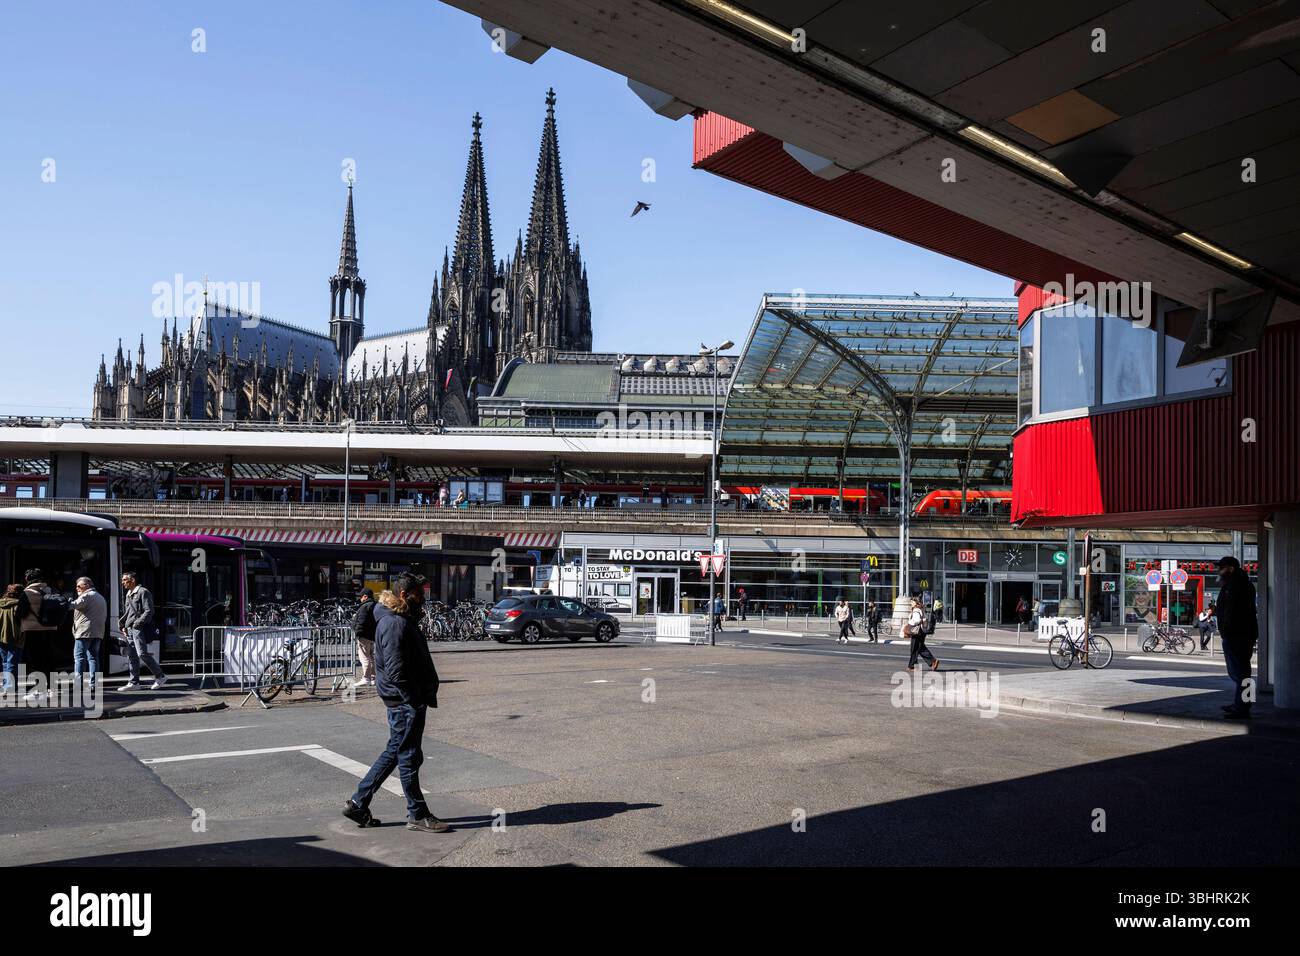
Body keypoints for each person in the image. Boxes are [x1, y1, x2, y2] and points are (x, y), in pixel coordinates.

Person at [343, 573, 451, 833]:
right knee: (409, 756)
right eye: (419, 596)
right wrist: (413, 700)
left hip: (402, 701)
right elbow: (395, 670)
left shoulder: (397, 619)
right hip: (404, 703)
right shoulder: (394, 623)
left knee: (396, 751)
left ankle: (359, 802)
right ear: (404, 595)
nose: (423, 600)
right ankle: (417, 813)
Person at [1214, 557, 1257, 719]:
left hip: (1237, 634)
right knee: (1243, 672)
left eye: (1222, 567)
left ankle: (1243, 707)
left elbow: (1231, 611)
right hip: (1242, 633)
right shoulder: (1240, 583)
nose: (1219, 570)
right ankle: (1243, 704)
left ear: (1231, 568)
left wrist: (1226, 631)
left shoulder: (1235, 585)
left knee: (1240, 672)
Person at [120, 572, 167, 691]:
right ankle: (134, 683)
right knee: (132, 656)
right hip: (130, 628)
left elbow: (149, 611)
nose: (123, 582)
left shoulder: (143, 592)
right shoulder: (129, 594)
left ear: (133, 580)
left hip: (138, 628)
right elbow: (128, 612)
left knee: (142, 653)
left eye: (125, 580)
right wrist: (123, 624)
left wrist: (137, 624)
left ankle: (160, 676)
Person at [18, 570, 59, 702]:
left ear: (28, 579)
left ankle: (39, 690)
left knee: (36, 661)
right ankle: (52, 690)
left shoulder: (27, 593)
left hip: (33, 631)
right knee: (49, 659)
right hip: (50, 629)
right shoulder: (51, 591)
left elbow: (19, 613)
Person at [70, 577, 108, 695]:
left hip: (84, 632)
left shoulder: (86, 596)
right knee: (93, 658)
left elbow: (72, 606)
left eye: (79, 586)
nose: (77, 588)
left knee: (79, 658)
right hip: (98, 632)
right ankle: (94, 685)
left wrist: (66, 600)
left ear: (87, 585)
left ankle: (78, 685)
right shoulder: (100, 597)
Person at [0, 584, 24, 694]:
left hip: (1, 637)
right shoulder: (19, 605)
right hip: (15, 637)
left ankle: (6, 686)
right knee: (12, 662)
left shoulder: (1, 604)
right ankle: (9, 687)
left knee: (5, 662)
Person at [906, 595, 939, 672]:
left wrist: (909, 622)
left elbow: (916, 620)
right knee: (920, 648)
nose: (911, 603)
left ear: (915, 602)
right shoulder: (921, 608)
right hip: (922, 631)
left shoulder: (916, 610)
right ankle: (932, 662)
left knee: (914, 649)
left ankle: (913, 667)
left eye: (912, 601)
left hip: (917, 631)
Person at [352, 588, 378, 686]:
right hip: (372, 635)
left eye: (361, 597)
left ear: (365, 596)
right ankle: (373, 677)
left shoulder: (364, 607)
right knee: (371, 657)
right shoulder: (375, 606)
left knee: (364, 657)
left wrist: (358, 633)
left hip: (364, 635)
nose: (360, 599)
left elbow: (361, 622)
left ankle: (366, 677)